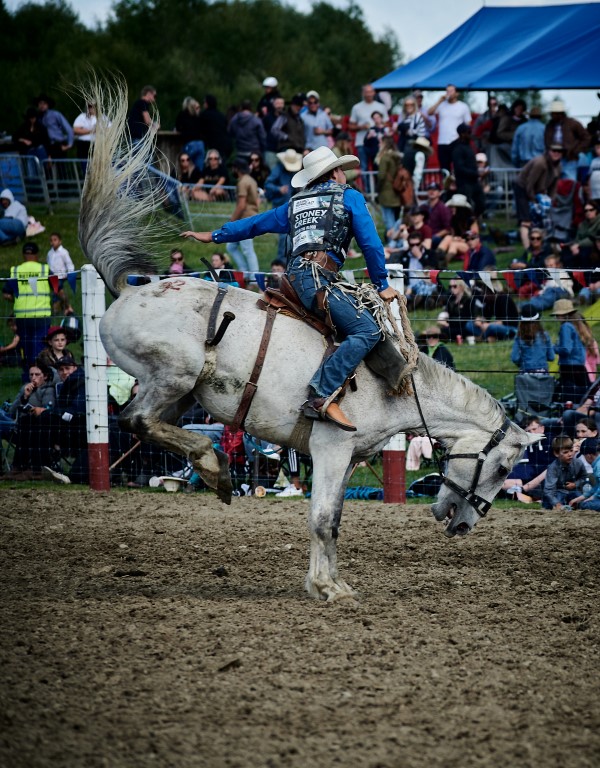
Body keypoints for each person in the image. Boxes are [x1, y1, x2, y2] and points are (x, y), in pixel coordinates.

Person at [180, 145, 399, 431]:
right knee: (367, 329)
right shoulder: (349, 197)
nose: (344, 175)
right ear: (335, 172)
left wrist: (216, 235)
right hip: (318, 279)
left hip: (294, 278)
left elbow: (256, 223)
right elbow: (370, 243)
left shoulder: (296, 203)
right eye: (342, 171)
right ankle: (321, 394)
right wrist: (382, 284)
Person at [2, 241, 52, 375]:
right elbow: (58, 288)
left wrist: (18, 299)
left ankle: (27, 377)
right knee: (40, 347)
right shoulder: (44, 269)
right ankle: (41, 376)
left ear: (24, 255)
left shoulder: (16, 271)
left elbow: (6, 294)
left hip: (22, 318)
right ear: (37, 255)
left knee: (25, 348)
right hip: (41, 316)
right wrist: (65, 303)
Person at [8, 362, 56, 473]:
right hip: (17, 423)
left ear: (45, 376)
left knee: (26, 422)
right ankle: (17, 467)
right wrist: (24, 397)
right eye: (31, 375)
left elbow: (47, 410)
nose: (33, 378)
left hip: (36, 426)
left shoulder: (48, 390)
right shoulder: (25, 388)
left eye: (37, 374)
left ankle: (20, 467)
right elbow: (12, 410)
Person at [512, 145, 564, 248]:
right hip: (522, 188)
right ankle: (528, 250)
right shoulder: (540, 163)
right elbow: (529, 184)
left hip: (539, 193)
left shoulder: (558, 167)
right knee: (526, 221)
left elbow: (553, 188)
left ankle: (542, 246)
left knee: (544, 218)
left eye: (559, 151)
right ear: (548, 151)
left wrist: (549, 202)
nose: (556, 153)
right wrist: (534, 201)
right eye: (554, 151)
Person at [222, 158, 260, 275]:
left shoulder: (242, 182)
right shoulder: (251, 180)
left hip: (245, 220)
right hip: (250, 217)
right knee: (231, 247)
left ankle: (254, 278)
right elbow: (257, 201)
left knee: (247, 250)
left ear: (237, 169)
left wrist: (231, 221)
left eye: (233, 168)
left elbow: (241, 205)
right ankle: (244, 271)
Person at [265, 148, 303, 261]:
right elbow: (267, 184)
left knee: (291, 233)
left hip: (292, 204)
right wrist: (279, 189)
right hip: (280, 204)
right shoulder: (278, 169)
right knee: (284, 234)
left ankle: (287, 258)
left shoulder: (294, 171)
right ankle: (281, 259)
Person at [551, 298, 590, 403]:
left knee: (570, 397)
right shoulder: (575, 325)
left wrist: (552, 348)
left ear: (563, 315)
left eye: (557, 315)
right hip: (579, 367)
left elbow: (566, 349)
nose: (556, 317)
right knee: (583, 396)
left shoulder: (566, 327)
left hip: (569, 368)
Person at [427, 84, 471, 172]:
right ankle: (446, 181)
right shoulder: (441, 105)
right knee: (444, 169)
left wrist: (463, 139)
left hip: (456, 141)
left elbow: (468, 123)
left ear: (456, 93)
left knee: (459, 167)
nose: (449, 93)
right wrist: (439, 101)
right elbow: (429, 112)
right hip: (442, 142)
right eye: (447, 91)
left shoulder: (463, 106)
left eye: (451, 91)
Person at [348, 84, 390, 172]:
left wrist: (378, 126)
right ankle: (366, 182)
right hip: (362, 143)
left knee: (379, 166)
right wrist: (362, 127)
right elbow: (350, 126)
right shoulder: (356, 107)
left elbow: (387, 123)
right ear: (363, 93)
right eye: (366, 92)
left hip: (378, 143)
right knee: (364, 167)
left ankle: (378, 182)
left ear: (374, 93)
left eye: (370, 92)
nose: (369, 94)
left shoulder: (381, 107)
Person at [544, 100, 589, 181]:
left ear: (560, 114)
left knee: (569, 182)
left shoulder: (573, 123)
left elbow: (586, 138)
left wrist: (575, 151)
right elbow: (546, 140)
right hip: (553, 159)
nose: (551, 115)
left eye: (553, 113)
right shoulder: (549, 125)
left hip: (569, 159)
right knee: (553, 183)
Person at [542, 434, 588, 510]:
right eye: (565, 452)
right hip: (558, 492)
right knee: (556, 500)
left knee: (582, 501)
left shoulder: (578, 463)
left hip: (573, 491)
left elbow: (585, 477)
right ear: (556, 453)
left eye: (571, 451)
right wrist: (557, 503)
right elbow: (548, 490)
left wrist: (575, 484)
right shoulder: (553, 468)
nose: (570, 454)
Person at [452, 123, 485, 218]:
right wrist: (476, 174)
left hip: (473, 181)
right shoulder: (458, 149)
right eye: (468, 132)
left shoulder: (469, 146)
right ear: (462, 134)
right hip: (464, 183)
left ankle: (474, 220)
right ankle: (468, 222)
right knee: (466, 207)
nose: (471, 134)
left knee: (481, 203)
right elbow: (459, 168)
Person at [511, 306, 555, 373]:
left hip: (525, 373)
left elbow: (515, 358)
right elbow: (551, 357)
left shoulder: (519, 337)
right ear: (537, 320)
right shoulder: (545, 335)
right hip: (543, 373)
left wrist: (523, 363)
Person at [376, 137, 402, 233]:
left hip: (386, 192)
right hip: (397, 191)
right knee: (396, 220)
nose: (379, 145)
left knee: (389, 221)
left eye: (380, 143)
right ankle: (398, 239)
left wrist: (378, 189)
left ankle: (392, 240)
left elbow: (381, 176)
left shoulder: (385, 158)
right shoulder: (397, 157)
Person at [36, 94, 73, 160]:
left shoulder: (55, 114)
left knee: (60, 165)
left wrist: (69, 144)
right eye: (40, 103)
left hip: (58, 144)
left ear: (48, 104)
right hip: (46, 147)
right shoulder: (37, 118)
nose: (42, 105)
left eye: (44, 103)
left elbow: (68, 129)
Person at [46, 231, 75, 315]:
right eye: (51, 240)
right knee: (57, 293)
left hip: (60, 276)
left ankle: (60, 309)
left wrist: (70, 273)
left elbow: (69, 263)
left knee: (57, 293)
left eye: (55, 240)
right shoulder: (50, 253)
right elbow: (48, 263)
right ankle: (66, 308)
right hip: (51, 277)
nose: (53, 242)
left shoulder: (64, 252)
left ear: (60, 241)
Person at [198, 94, 231, 163]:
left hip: (214, 146)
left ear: (207, 103)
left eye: (204, 102)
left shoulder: (204, 115)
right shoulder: (221, 115)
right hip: (225, 145)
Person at [175, 96, 205, 169]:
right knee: (199, 169)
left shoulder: (182, 114)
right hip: (200, 143)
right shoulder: (198, 115)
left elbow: (178, 127)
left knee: (184, 167)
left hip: (190, 143)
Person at [571, 438, 600, 511]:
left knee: (585, 505)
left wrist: (592, 498)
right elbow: (597, 487)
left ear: (589, 456)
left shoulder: (598, 466)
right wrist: (581, 498)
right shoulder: (597, 464)